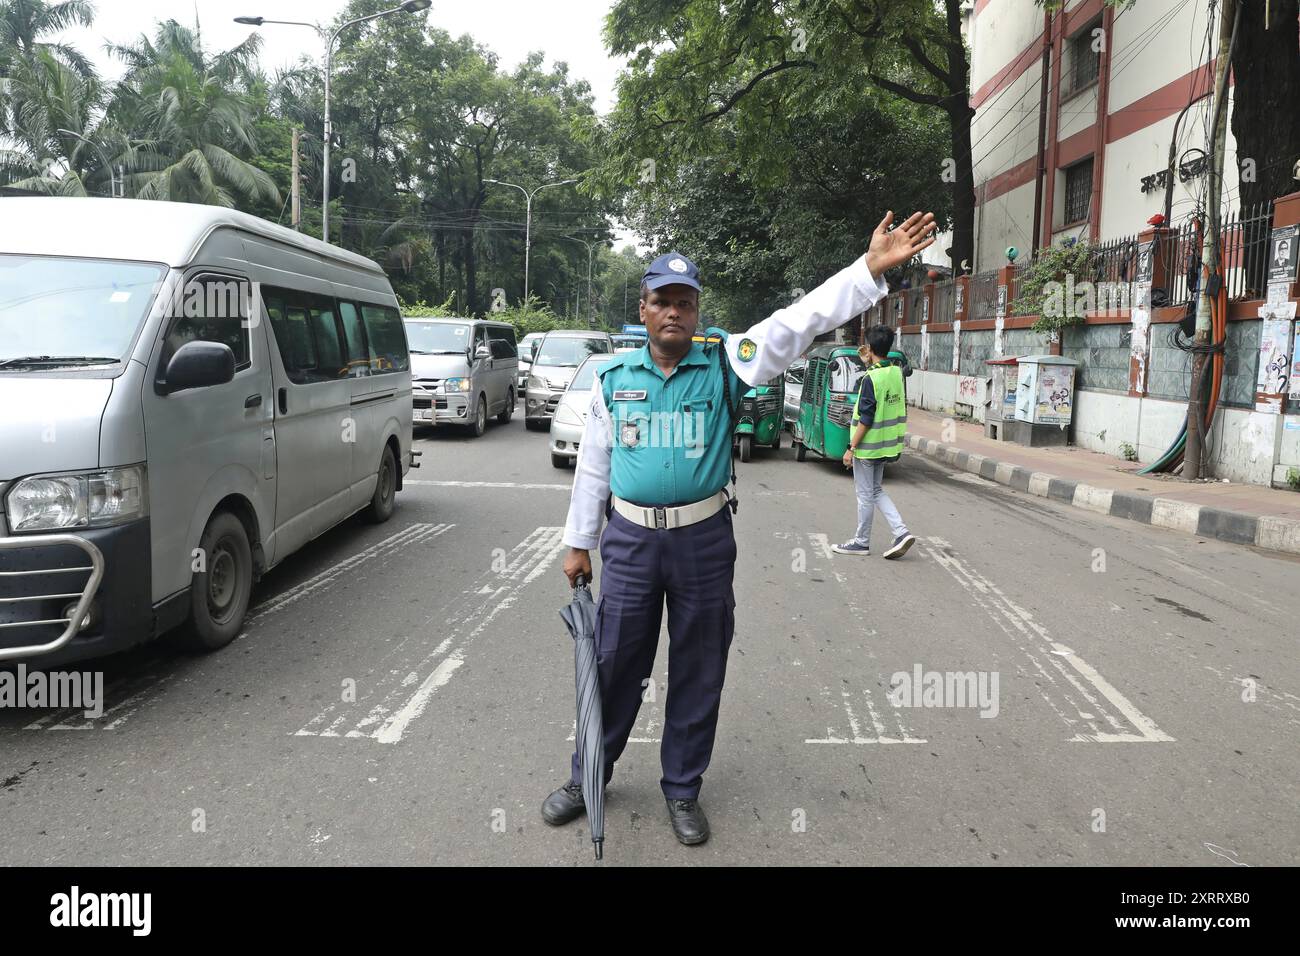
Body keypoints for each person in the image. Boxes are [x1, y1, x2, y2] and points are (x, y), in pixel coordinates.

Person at [542, 211, 936, 845]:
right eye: (662, 302)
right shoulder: (614, 382)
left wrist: (867, 271)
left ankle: (682, 789)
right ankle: (588, 773)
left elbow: (797, 320)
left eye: (685, 303)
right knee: (612, 664)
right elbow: (594, 468)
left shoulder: (727, 363)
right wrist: (578, 542)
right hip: (632, 541)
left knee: (700, 665)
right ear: (643, 310)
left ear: (697, 312)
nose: (674, 312)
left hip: (702, 541)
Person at [832, 325, 916, 559]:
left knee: (865, 495)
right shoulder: (895, 372)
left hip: (868, 447)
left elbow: (866, 418)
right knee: (876, 490)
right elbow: (883, 391)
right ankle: (901, 532)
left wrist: (851, 448)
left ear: (869, 348)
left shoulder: (870, 378)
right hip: (887, 445)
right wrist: (868, 362)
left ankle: (861, 542)